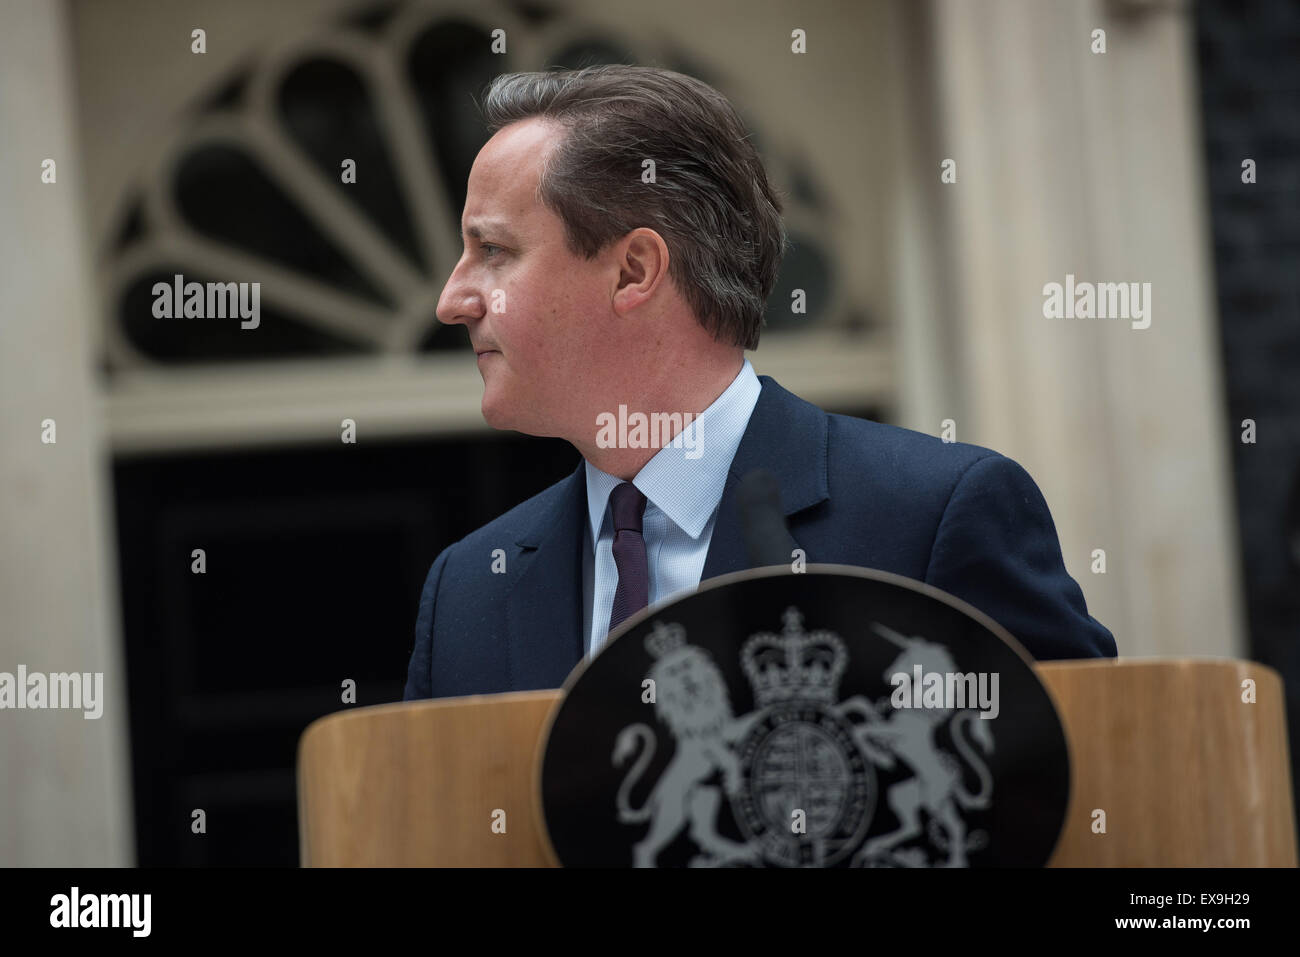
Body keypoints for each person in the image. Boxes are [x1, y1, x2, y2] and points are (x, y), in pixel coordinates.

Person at [403, 65, 1115, 701]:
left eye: (492, 251)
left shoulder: (935, 518)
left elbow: (1089, 790)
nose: (451, 299)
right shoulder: (468, 589)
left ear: (634, 271)